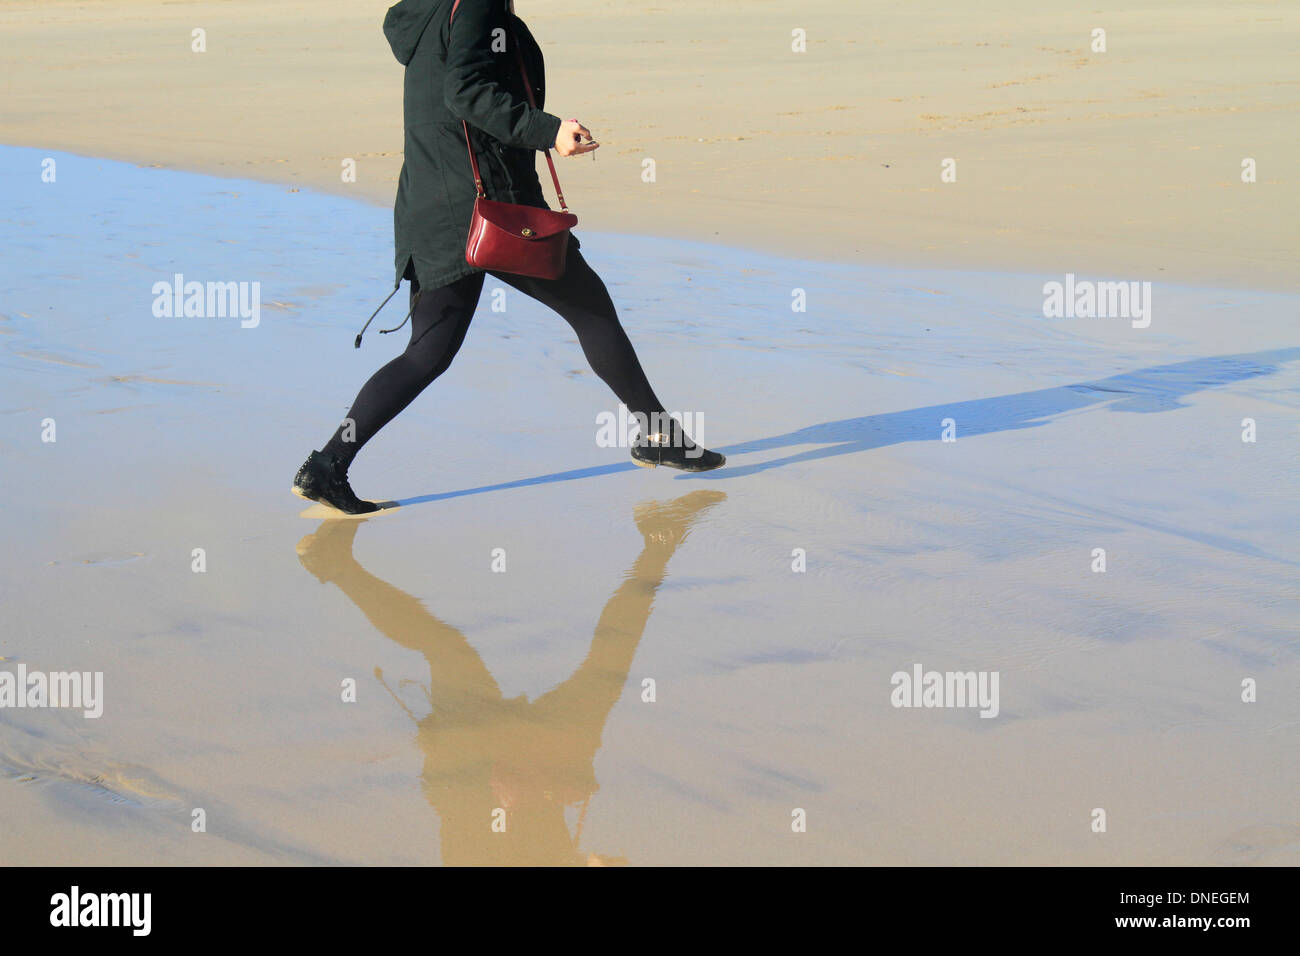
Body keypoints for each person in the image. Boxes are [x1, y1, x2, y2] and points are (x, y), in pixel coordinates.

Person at [293, 0, 723, 515]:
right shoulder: (477, 5)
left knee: (427, 354)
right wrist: (551, 130)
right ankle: (659, 436)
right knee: (591, 308)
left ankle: (326, 466)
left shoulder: (430, 10)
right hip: (486, 208)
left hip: (432, 207)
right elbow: (467, 92)